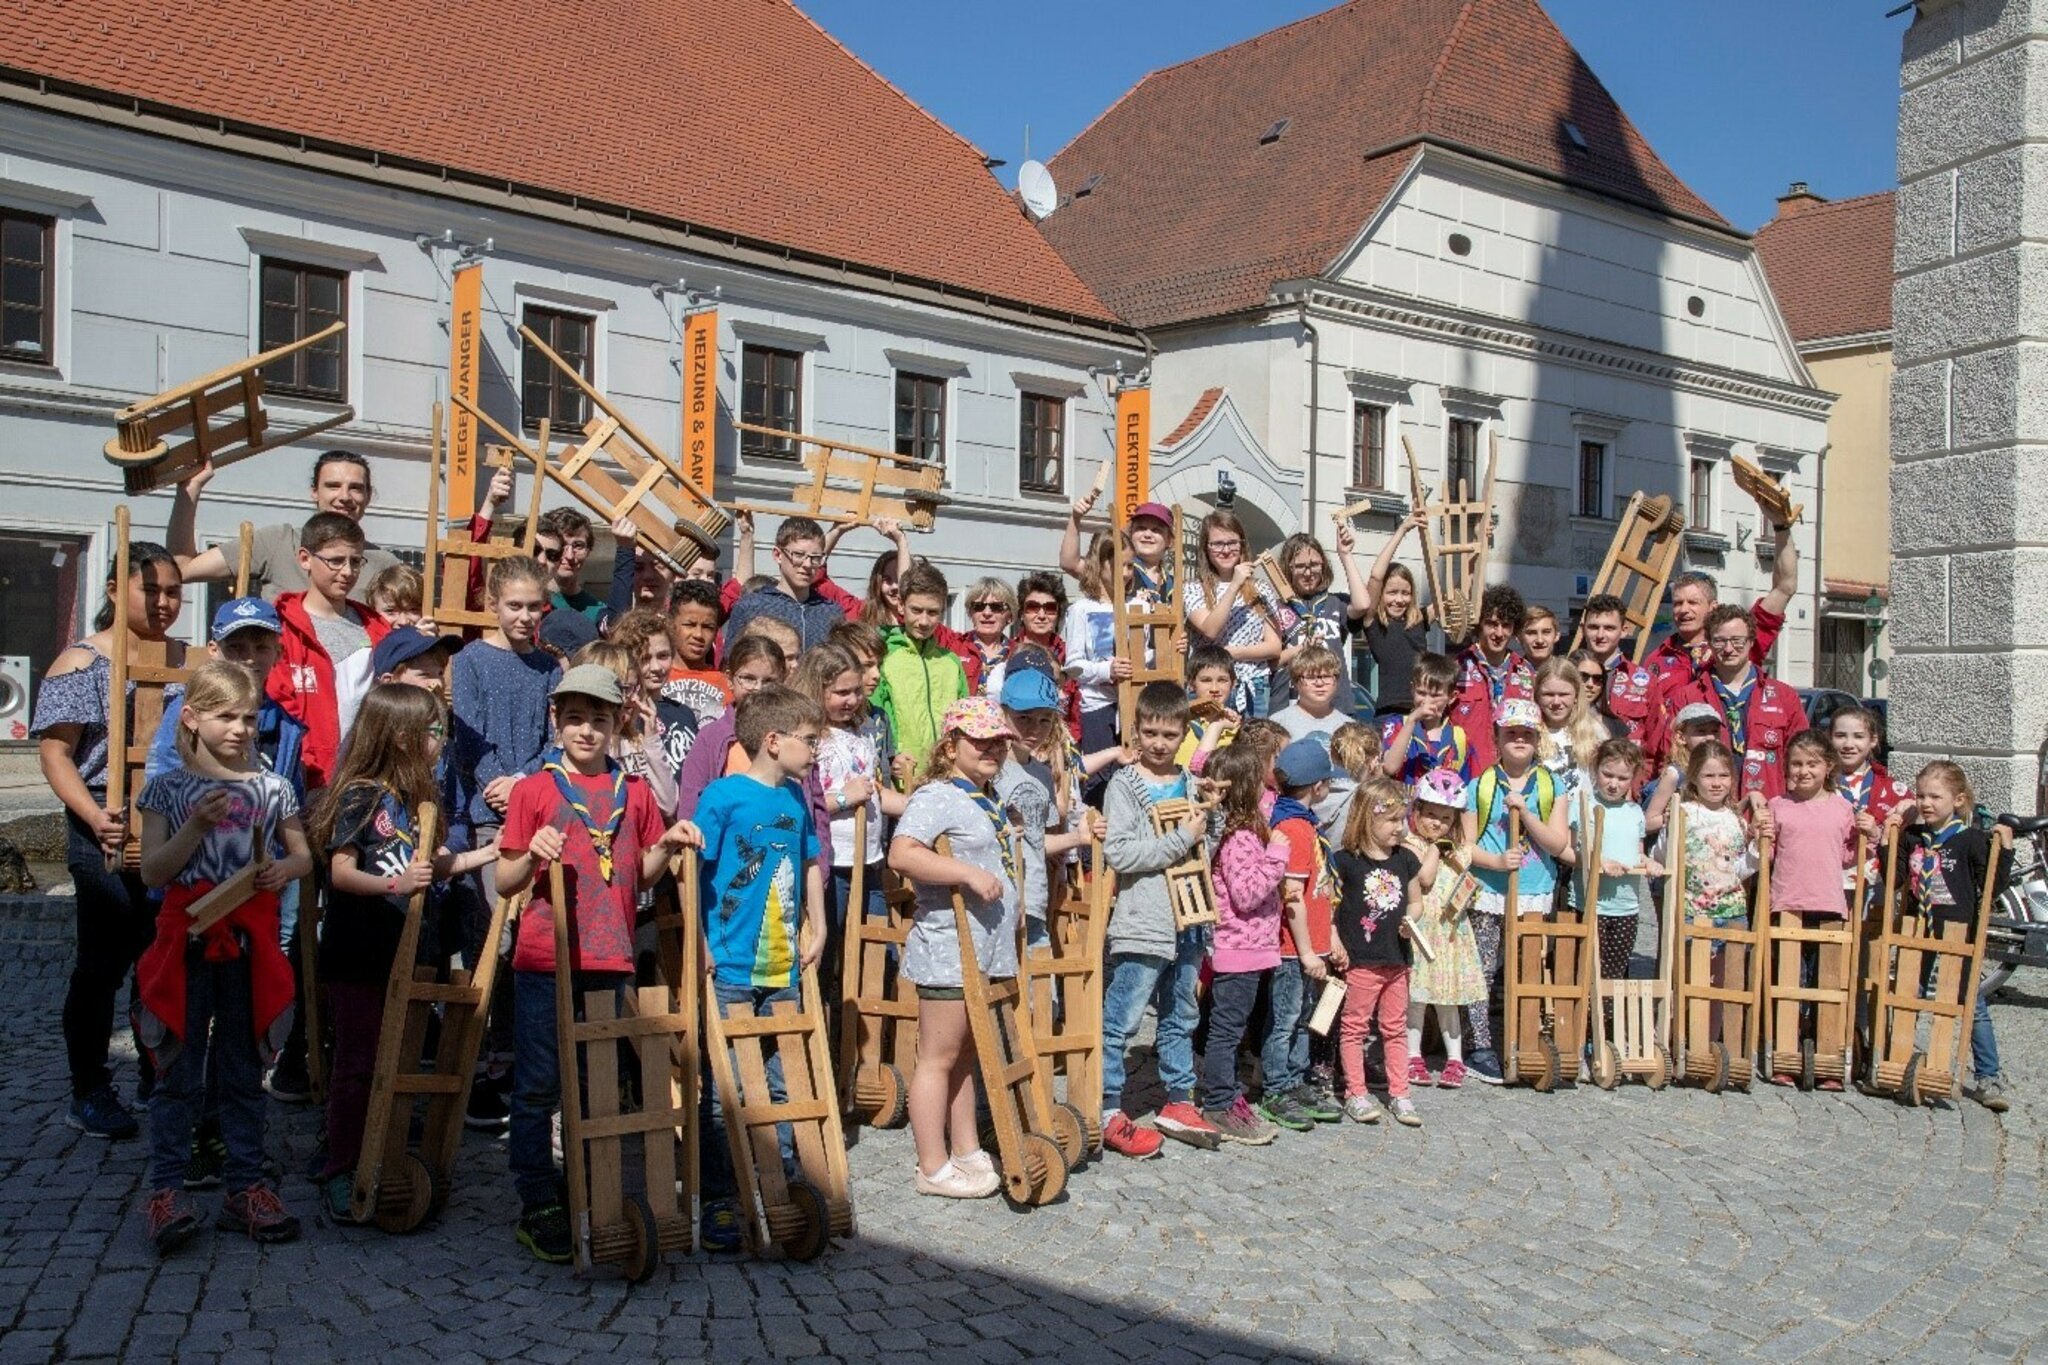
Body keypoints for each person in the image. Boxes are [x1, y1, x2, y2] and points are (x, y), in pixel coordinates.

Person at [493, 665, 703, 1261]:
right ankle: (538, 1197)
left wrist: (669, 841)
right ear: (557, 723)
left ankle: (590, 1184)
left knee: (597, 1088)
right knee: (538, 1086)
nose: (587, 731)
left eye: (600, 720)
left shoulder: (633, 793)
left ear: (617, 726)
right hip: (545, 957)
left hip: (610, 957)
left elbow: (641, 873)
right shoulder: (535, 791)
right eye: (575, 718)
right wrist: (531, 855)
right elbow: (506, 879)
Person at [133, 661, 311, 1252]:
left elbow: (302, 857)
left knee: (241, 1067)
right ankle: (166, 1188)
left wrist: (283, 868)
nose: (239, 728)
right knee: (178, 1071)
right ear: (192, 718)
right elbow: (154, 869)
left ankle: (244, 1185)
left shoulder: (273, 788)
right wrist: (194, 828)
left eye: (247, 716)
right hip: (185, 939)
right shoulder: (165, 789)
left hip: (248, 942)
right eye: (224, 716)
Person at [310, 684, 496, 1221]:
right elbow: (342, 872)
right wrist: (395, 887)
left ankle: (385, 1156)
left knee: (399, 1061)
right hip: (360, 951)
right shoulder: (361, 795)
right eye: (436, 732)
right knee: (360, 1064)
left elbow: (431, 866)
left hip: (408, 949)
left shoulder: (418, 801)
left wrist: (490, 851)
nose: (442, 741)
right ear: (401, 736)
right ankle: (341, 1166)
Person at [34, 542, 188, 1138]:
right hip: (106, 816)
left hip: (171, 820)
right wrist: (94, 817)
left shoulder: (190, 659)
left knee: (163, 953)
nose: (164, 602)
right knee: (103, 961)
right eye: (151, 590)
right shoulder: (80, 662)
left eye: (173, 591)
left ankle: (158, 1070)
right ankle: (90, 1089)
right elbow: (56, 755)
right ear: (113, 592)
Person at [693, 685, 829, 1224]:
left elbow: (810, 859)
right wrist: (700, 943)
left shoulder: (795, 798)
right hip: (729, 964)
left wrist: (818, 924)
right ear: (774, 741)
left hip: (783, 966)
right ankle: (722, 1193)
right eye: (809, 740)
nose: (816, 749)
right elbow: (696, 871)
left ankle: (782, 1180)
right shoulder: (723, 797)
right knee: (729, 1085)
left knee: (782, 1080)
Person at [886, 698, 1024, 1198]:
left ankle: (965, 1150)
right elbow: (903, 853)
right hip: (949, 947)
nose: (992, 749)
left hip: (985, 948)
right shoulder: (939, 796)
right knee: (939, 1057)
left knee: (965, 1055)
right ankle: (931, 1164)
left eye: (998, 741)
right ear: (951, 745)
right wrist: (965, 872)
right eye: (979, 740)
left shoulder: (984, 796)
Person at [446, 555, 560, 1129]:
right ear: (494, 601)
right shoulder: (470, 661)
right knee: (490, 938)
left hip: (532, 808)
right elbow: (467, 731)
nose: (523, 616)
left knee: (528, 940)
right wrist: (499, 782)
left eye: (533, 607)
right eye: (513, 605)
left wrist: (526, 780)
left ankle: (512, 1060)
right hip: (488, 816)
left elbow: (554, 735)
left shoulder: (548, 668)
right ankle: (478, 1063)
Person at [1098, 681, 1211, 1155]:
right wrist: (1181, 839)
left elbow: (1205, 845)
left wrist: (1208, 823)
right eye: (1150, 733)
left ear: (1184, 732)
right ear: (1136, 732)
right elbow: (1120, 853)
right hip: (1144, 920)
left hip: (1189, 919)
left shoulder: (1191, 781)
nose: (1159, 744)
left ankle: (1178, 1096)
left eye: (1169, 734)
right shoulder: (1125, 785)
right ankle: (1104, 1104)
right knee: (1121, 1018)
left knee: (1181, 1013)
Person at [1883, 762, 2013, 1113]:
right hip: (1918, 925)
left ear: (1958, 800)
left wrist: (2007, 850)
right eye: (1920, 795)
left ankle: (1989, 1077)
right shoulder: (1913, 837)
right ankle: (1896, 1066)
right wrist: (1888, 838)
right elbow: (1893, 879)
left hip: (1959, 930)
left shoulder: (1970, 840)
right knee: (1909, 994)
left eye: (1934, 796)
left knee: (1972, 1003)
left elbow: (1993, 888)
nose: (1925, 802)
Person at [1197, 743, 1305, 1145]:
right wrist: (1277, 855)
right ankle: (1219, 1102)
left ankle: (1227, 1096)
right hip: (1238, 948)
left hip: (1251, 948)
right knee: (1226, 1031)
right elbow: (1246, 893)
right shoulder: (1241, 836)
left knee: (1232, 1027)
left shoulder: (1244, 830)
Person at [1459, 698, 1571, 1085]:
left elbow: (1557, 844)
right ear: (1497, 737)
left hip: (1534, 891)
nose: (1519, 740)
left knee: (1528, 970)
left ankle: (1525, 1039)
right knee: (1483, 971)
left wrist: (1525, 814)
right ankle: (1480, 1046)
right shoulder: (1479, 786)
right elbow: (1465, 846)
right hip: (1490, 892)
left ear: (1537, 739)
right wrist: (1494, 863)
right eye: (1511, 734)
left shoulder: (1552, 785)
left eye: (1526, 733)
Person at [265, 513, 392, 790]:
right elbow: (281, 706)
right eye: (335, 561)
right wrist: (306, 769)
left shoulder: (378, 629)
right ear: (305, 559)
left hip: (365, 784)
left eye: (355, 561)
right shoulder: (280, 629)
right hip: (301, 784)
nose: (347, 572)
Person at [167, 451, 402, 600]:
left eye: (356, 488)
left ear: (368, 495)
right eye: (333, 485)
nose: (344, 496)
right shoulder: (278, 542)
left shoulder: (385, 564)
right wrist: (189, 489)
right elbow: (184, 568)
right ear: (314, 492)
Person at [1257, 739, 1345, 1131]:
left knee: (1304, 1017)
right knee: (1286, 1018)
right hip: (1295, 948)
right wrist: (1309, 951)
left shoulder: (1305, 825)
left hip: (1313, 945)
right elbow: (1292, 896)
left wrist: (1330, 941)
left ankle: (1295, 1079)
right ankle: (1276, 1088)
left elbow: (1321, 891)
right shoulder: (1293, 827)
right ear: (1318, 787)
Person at [1762, 731, 1856, 1088]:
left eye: (1812, 764)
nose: (1803, 771)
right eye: (1797, 763)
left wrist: (1869, 834)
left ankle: (1827, 1061)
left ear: (1828, 767)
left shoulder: (1842, 808)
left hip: (1829, 905)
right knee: (1789, 983)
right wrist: (1759, 834)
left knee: (1825, 983)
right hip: (1787, 903)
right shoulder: (1778, 805)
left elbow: (1847, 854)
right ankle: (1787, 1056)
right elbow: (1768, 856)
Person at [1331, 776, 1425, 1126]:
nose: (1399, 828)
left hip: (1397, 958)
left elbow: (1416, 902)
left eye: (1402, 820)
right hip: (1361, 960)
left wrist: (1409, 920)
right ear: (1367, 819)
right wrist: (1334, 940)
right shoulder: (1345, 861)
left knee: (1395, 1028)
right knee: (1354, 1028)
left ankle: (1400, 1094)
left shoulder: (1406, 860)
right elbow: (1331, 906)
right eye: (1392, 820)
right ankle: (1356, 1092)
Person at [1658, 604, 1807, 797]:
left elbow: (1803, 756)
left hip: (1768, 812)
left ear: (1751, 641)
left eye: (1737, 640)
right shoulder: (1687, 697)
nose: (1728, 649)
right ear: (1709, 644)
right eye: (1720, 641)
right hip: (1708, 811)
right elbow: (1669, 756)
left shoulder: (1784, 697)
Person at [809, 643, 903, 946]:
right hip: (832, 862)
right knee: (829, 946)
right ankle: (826, 996)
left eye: (856, 691)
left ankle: (874, 992)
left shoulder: (862, 731)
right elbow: (802, 804)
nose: (852, 700)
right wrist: (842, 799)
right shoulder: (810, 738)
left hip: (869, 858)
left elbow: (872, 793)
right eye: (841, 693)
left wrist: (914, 805)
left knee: (879, 951)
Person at [1402, 769, 1483, 1090]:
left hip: (1450, 935)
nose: (1437, 823)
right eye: (1431, 815)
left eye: (1445, 818)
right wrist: (1437, 848)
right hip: (1422, 934)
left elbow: (1469, 873)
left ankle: (1455, 1058)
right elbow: (1425, 879)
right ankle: (1412, 1054)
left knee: (1449, 1000)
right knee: (1416, 999)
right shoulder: (1412, 845)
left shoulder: (1459, 850)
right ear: (1417, 813)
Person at [1576, 739, 1661, 995]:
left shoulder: (1634, 811)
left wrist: (1648, 863)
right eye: (1607, 775)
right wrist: (1600, 861)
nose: (1614, 783)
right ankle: (1588, 1025)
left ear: (1633, 777)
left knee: (1615, 969)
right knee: (1588, 967)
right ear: (1595, 770)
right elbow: (1576, 848)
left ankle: (1611, 1021)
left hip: (1626, 906)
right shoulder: (1585, 805)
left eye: (1622, 778)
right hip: (1592, 903)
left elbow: (1637, 852)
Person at [675, 634, 789, 817]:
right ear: (729, 679)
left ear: (783, 680)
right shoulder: (711, 738)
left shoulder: (793, 735)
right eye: (748, 678)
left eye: (769, 681)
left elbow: (812, 803)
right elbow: (691, 805)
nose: (758, 689)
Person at [1183, 510, 1282, 719]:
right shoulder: (1192, 589)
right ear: (1205, 548)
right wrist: (1234, 585)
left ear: (1242, 545)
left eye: (1232, 542)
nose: (1226, 550)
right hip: (1209, 685)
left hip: (1253, 684)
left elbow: (1274, 646)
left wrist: (1231, 652)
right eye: (1217, 544)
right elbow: (1210, 629)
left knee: (1252, 749)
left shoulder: (1261, 590)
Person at [874, 562, 969, 773]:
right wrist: (890, 755)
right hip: (904, 775)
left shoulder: (951, 662)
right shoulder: (883, 657)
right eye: (916, 610)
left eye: (933, 612)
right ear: (900, 605)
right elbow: (874, 716)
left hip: (947, 775)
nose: (924, 621)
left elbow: (963, 721)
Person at [604, 608, 699, 806]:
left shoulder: (683, 713)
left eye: (663, 656)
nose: (656, 668)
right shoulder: (622, 716)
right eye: (645, 659)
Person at [1268, 528, 1371, 711]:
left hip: (1335, 706)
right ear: (1288, 568)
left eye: (1314, 564)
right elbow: (1270, 662)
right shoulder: (1276, 608)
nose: (1308, 573)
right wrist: (1300, 650)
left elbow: (1362, 604)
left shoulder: (1335, 603)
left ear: (1323, 565)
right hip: (1288, 706)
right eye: (1300, 566)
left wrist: (1345, 555)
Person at [1062, 531, 1131, 794]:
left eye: (1129, 565)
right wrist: (1106, 669)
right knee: (1100, 781)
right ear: (1100, 564)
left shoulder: (1138, 606)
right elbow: (1075, 664)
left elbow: (1149, 653)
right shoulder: (1082, 609)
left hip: (1132, 706)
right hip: (1098, 707)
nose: (1125, 573)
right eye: (1118, 565)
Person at [721, 515, 847, 656]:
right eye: (799, 555)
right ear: (778, 555)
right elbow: (730, 663)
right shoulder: (751, 606)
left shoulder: (831, 612)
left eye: (815, 558)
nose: (807, 565)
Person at [1449, 584, 1533, 775]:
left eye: (1506, 625)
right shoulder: (1457, 667)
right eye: (1492, 624)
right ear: (1479, 624)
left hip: (1514, 775)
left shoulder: (1525, 672)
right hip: (1467, 774)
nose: (1499, 633)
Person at [1270, 645, 1354, 827]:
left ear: (1337, 680)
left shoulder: (1350, 726)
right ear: (1295, 682)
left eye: (1325, 676)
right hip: (1298, 815)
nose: (1319, 683)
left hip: (1344, 818)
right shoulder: (1278, 723)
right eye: (1310, 677)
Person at [1358, 512, 1430, 717]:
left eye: (1405, 593)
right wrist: (1402, 530)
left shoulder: (1419, 620)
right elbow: (1375, 576)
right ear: (1381, 595)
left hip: (1423, 710)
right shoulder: (1374, 623)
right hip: (1390, 712)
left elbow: (1454, 600)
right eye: (1392, 592)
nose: (1399, 599)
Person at [1378, 652, 1471, 787]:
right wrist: (1412, 721)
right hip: (1403, 804)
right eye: (1421, 693)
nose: (1427, 701)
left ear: (1451, 697)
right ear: (1412, 689)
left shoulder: (1459, 737)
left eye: (1435, 696)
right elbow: (1390, 767)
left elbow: (1463, 786)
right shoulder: (1397, 724)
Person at [1533, 656, 1608, 805]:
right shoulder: (1529, 732)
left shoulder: (1594, 731)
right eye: (1548, 694)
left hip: (1581, 818)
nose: (1556, 702)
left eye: (1563, 695)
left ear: (1575, 695)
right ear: (1537, 696)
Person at [662, 578, 732, 726]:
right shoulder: (654, 677)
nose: (698, 635)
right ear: (670, 624)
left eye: (708, 627)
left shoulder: (727, 684)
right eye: (690, 624)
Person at [959, 576, 1016, 696]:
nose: (987, 613)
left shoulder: (1018, 654)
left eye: (997, 607)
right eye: (978, 607)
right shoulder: (954, 646)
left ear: (1010, 616)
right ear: (970, 613)